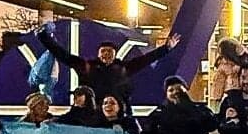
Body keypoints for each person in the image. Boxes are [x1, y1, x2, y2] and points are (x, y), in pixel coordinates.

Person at [36, 23, 181, 109]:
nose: (106, 54)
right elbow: (62, 55)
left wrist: (166, 48)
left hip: (117, 113)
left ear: (115, 54)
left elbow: (146, 59)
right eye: (103, 51)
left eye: (109, 52)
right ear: (98, 54)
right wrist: (43, 37)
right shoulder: (87, 67)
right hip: (91, 113)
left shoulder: (124, 68)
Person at [139, 76, 218, 134]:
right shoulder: (158, 114)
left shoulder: (200, 110)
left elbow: (213, 126)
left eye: (179, 88)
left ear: (186, 90)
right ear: (166, 94)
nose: (176, 92)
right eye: (171, 90)